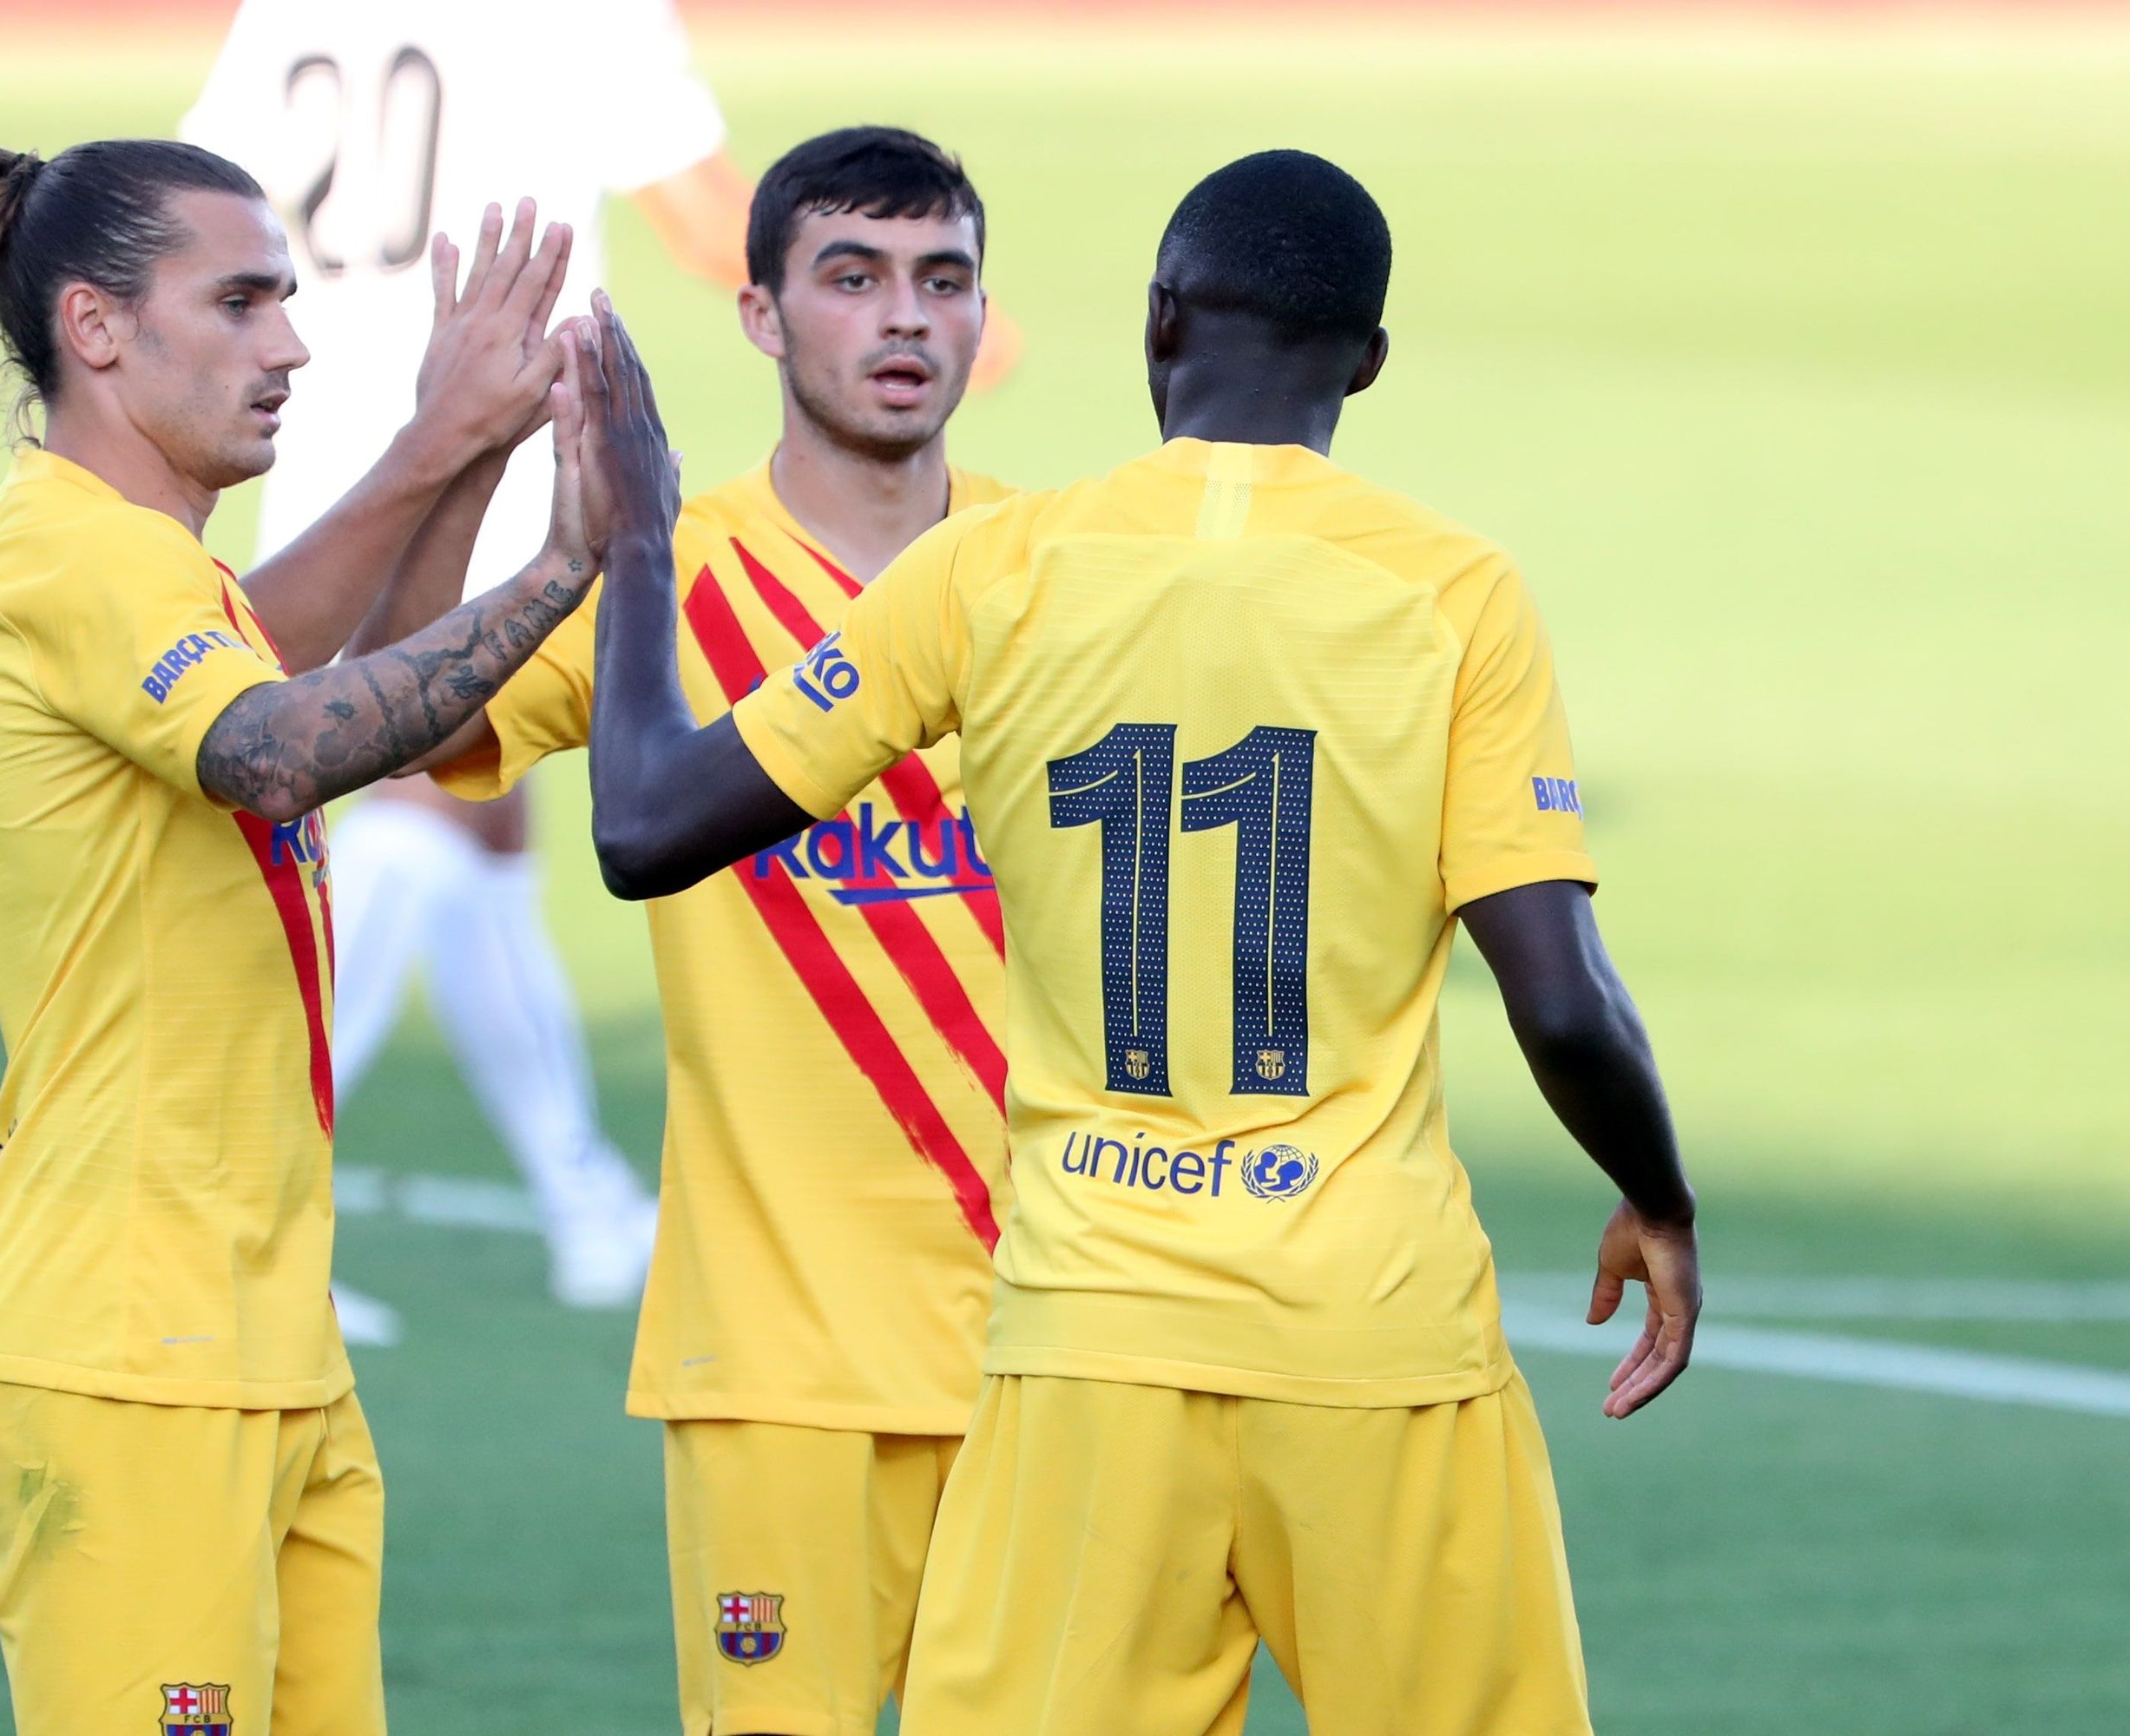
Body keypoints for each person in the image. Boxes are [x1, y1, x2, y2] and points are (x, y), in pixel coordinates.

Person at [574, 149, 1702, 1736]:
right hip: (1372, 1342)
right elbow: (1562, 1002)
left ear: (1156, 322)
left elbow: (644, 828)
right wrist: (1656, 1192)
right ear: (1367, 362)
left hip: (1089, 1342)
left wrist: (632, 539)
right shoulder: (1457, 592)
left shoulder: (990, 568)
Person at [181, 3, 1021, 1305]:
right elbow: (698, 210)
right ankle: (246, 1213)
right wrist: (889, 308)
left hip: (334, 431)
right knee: (412, 814)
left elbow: (217, 201)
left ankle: (574, 1192)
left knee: (474, 839)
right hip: (508, 429)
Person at [0, 138, 595, 1736]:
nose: (289, 344)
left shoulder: (163, 577)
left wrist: (457, 449)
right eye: (239, 302)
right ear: (95, 327)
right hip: (121, 1352)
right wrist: (572, 562)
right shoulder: (60, 554)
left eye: (287, 303)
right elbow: (286, 748)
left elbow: (299, 657)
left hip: (264, 1339)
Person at [426, 127, 1011, 1736]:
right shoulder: (662, 579)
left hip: (1056, 1346)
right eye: (853, 279)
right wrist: (455, 449)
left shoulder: (1068, 574)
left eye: (941, 281)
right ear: (758, 314)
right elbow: (372, 717)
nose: (905, 319)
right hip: (779, 1368)